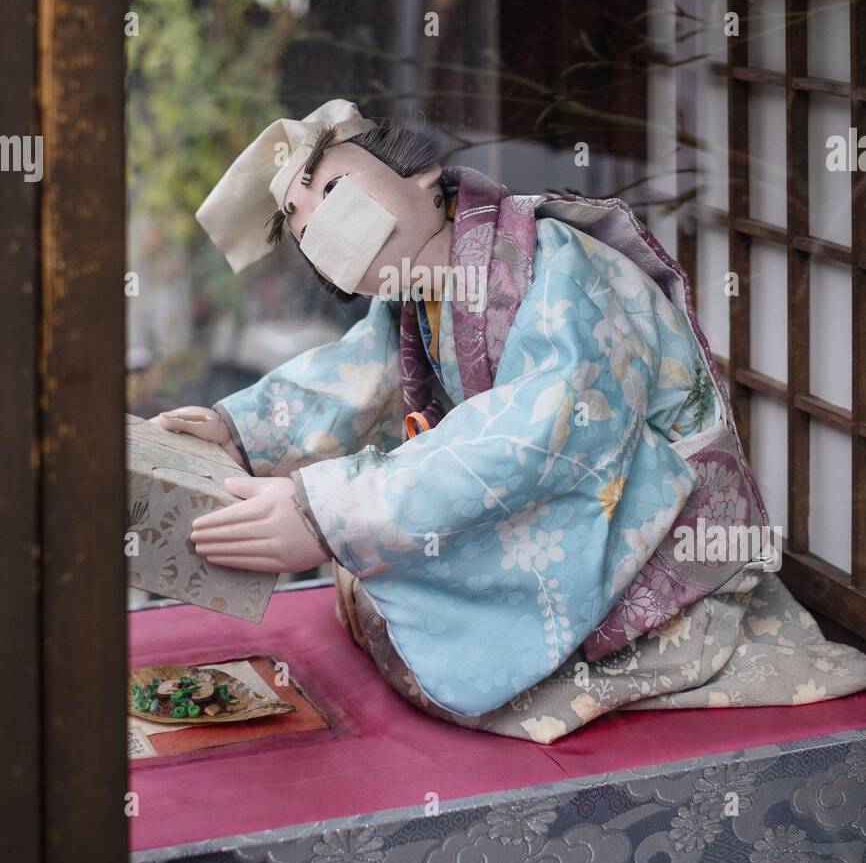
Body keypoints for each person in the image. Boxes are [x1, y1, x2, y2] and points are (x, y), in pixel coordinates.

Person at [154, 99, 866, 743]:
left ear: (425, 171)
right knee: (378, 593)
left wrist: (324, 509)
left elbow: (539, 434)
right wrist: (236, 427)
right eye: (305, 228)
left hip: (645, 508)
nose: (327, 231)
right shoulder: (418, 291)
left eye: (336, 190)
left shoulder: (559, 271)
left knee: (435, 626)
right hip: (560, 479)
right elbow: (349, 375)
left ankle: (613, 642)